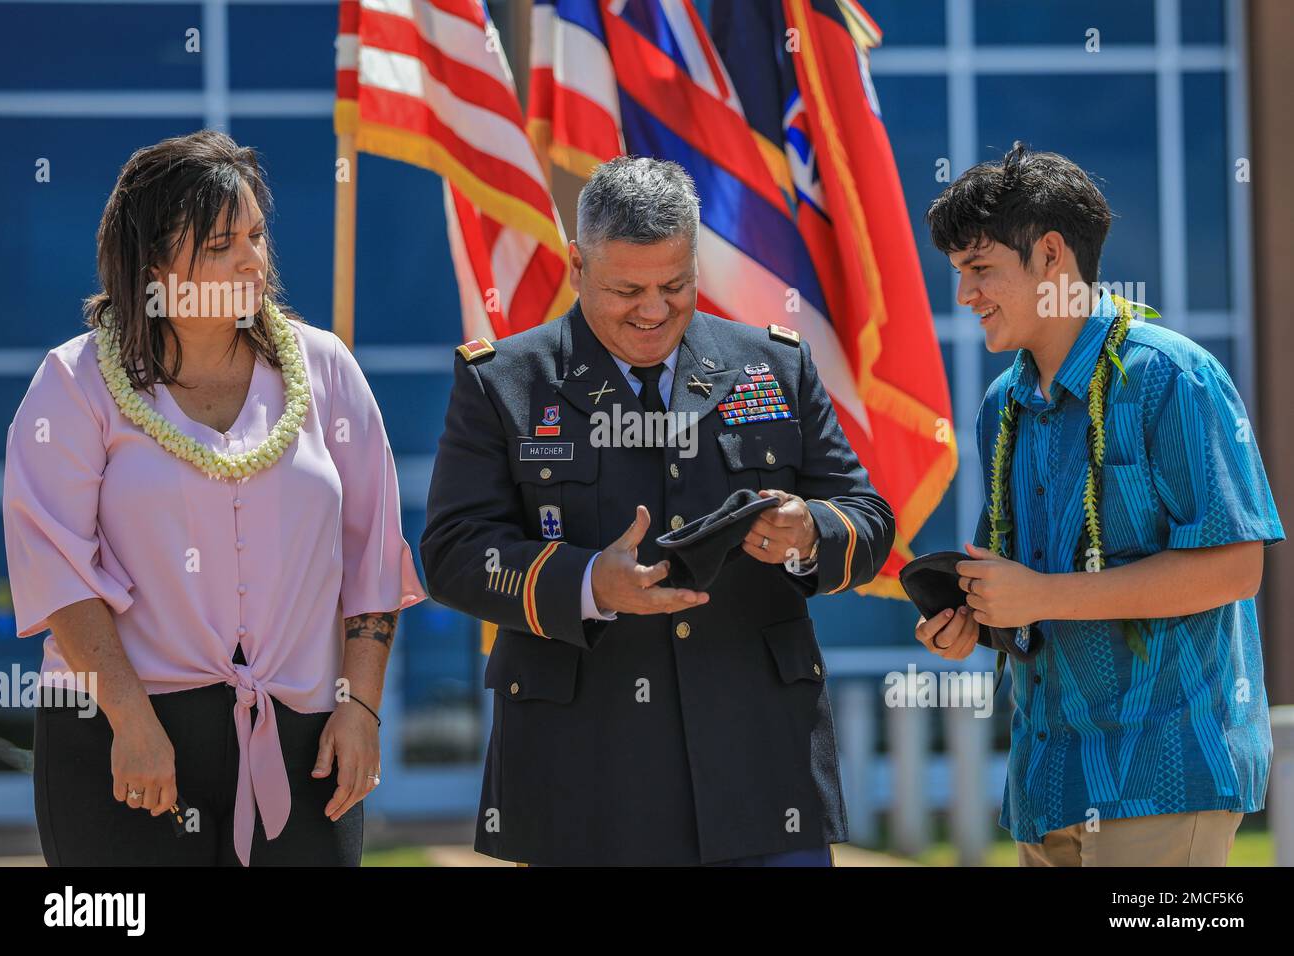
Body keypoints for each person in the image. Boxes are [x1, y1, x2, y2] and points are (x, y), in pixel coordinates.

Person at [421, 156, 895, 866]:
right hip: (584, 784)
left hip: (760, 778)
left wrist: (808, 533)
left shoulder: (773, 365)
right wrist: (586, 584)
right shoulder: (507, 381)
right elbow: (454, 553)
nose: (652, 309)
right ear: (577, 266)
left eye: (674, 286)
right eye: (627, 290)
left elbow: (867, 516)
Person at [3, 130, 426, 866]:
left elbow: (373, 556)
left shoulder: (326, 369)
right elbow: (58, 574)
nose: (253, 260)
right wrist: (132, 721)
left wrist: (359, 707)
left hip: (306, 745)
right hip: (122, 737)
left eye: (257, 235)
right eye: (222, 242)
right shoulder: (73, 384)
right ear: (154, 263)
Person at [917, 142, 1285, 866]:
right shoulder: (1004, 405)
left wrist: (1042, 595)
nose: (965, 296)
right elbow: (1021, 591)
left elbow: (1236, 570)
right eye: (958, 273)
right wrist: (977, 618)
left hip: (1164, 780)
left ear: (1052, 256)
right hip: (1043, 785)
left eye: (981, 269)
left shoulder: (1173, 375)